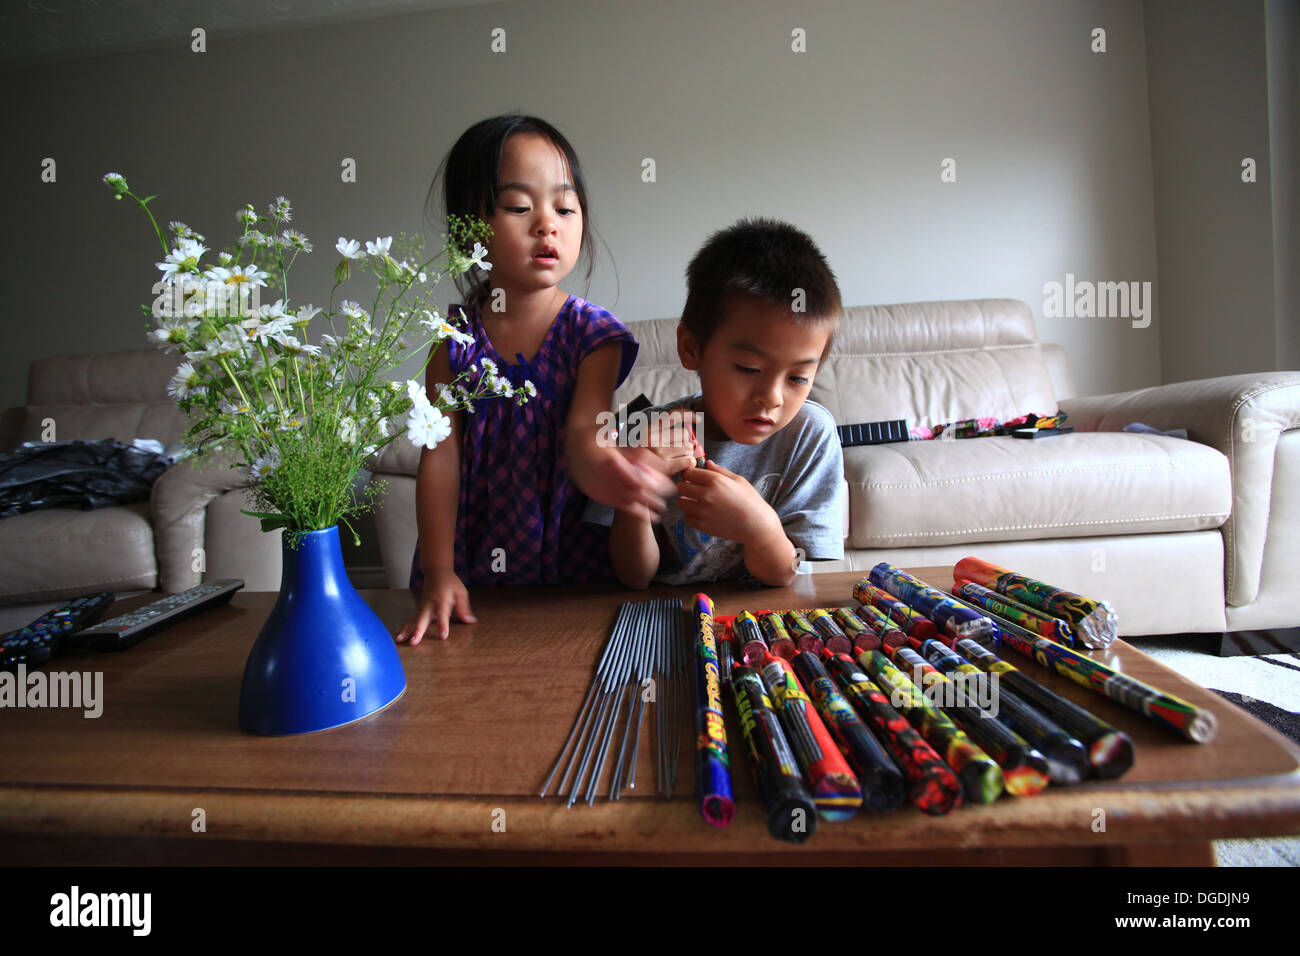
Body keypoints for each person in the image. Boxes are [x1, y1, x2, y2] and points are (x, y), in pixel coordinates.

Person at [396, 115, 672, 644]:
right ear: (468, 228)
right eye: (519, 207)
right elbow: (440, 456)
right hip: (471, 577)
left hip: (573, 573)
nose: (548, 224)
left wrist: (618, 472)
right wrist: (438, 570)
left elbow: (585, 436)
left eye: (565, 208)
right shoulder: (452, 340)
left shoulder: (592, 334)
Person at [590, 218, 846, 588]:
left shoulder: (809, 434)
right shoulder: (641, 432)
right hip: (666, 620)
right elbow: (634, 577)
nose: (772, 398)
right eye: (748, 368)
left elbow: (786, 576)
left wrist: (759, 528)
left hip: (764, 628)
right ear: (692, 348)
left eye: (797, 378)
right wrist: (637, 484)